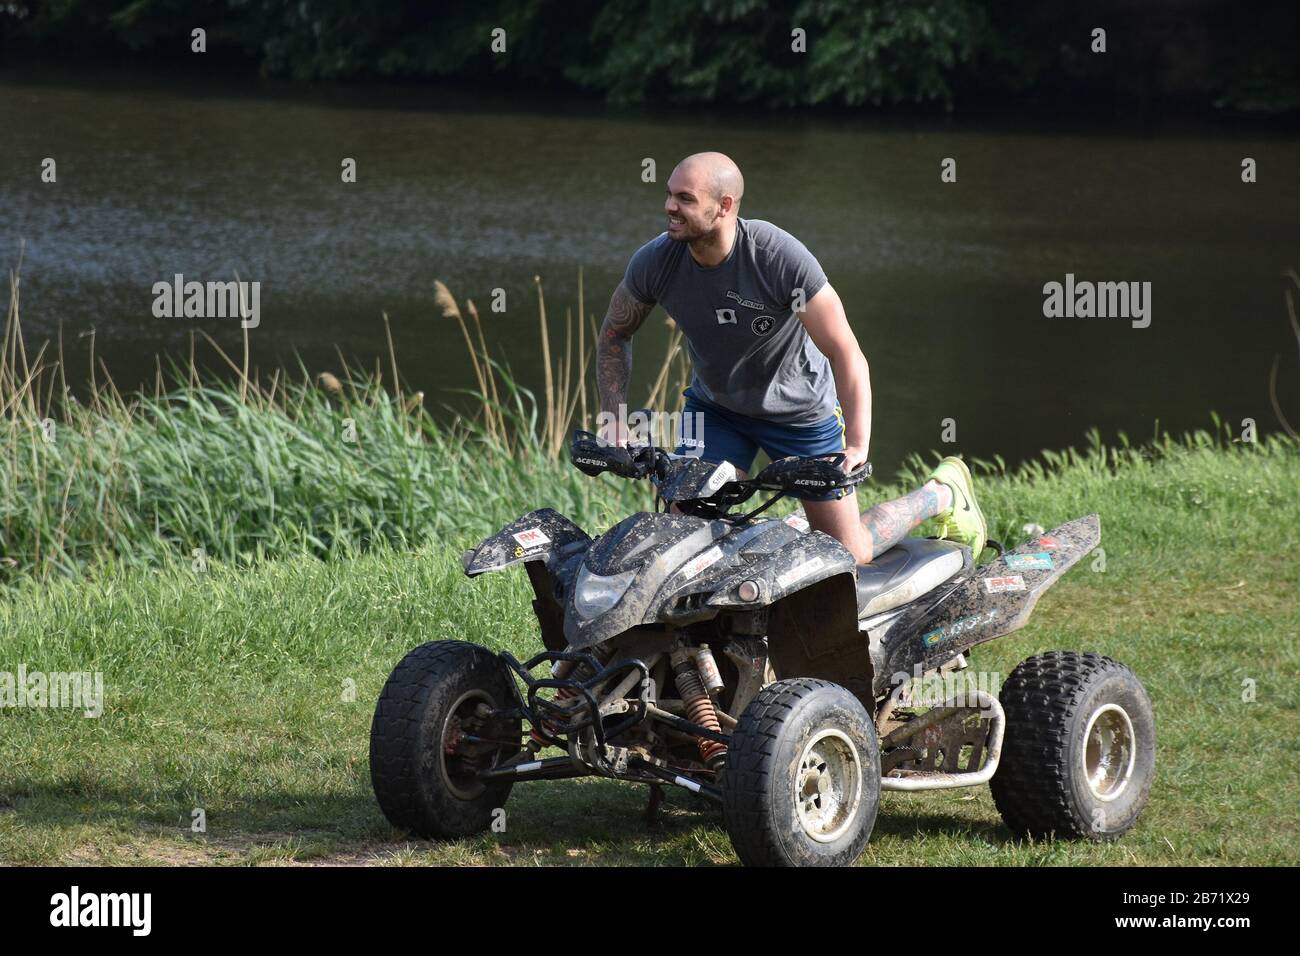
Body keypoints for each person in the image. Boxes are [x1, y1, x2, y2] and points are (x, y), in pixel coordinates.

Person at [595, 151, 986, 567]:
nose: (670, 206)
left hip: (800, 415)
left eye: (685, 198)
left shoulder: (775, 257)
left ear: (724, 206)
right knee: (685, 532)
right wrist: (614, 420)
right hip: (716, 410)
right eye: (670, 194)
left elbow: (845, 350)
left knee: (848, 552)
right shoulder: (656, 261)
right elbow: (615, 334)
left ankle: (942, 493)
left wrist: (857, 444)